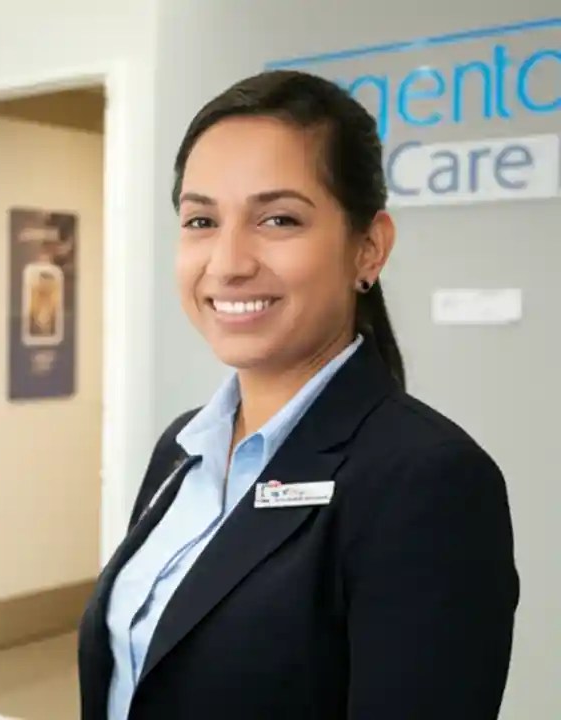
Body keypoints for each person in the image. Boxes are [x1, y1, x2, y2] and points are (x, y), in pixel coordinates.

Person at [78, 70, 517, 720]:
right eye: (201, 220)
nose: (227, 262)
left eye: (278, 219)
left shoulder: (428, 482)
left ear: (369, 248)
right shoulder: (182, 447)